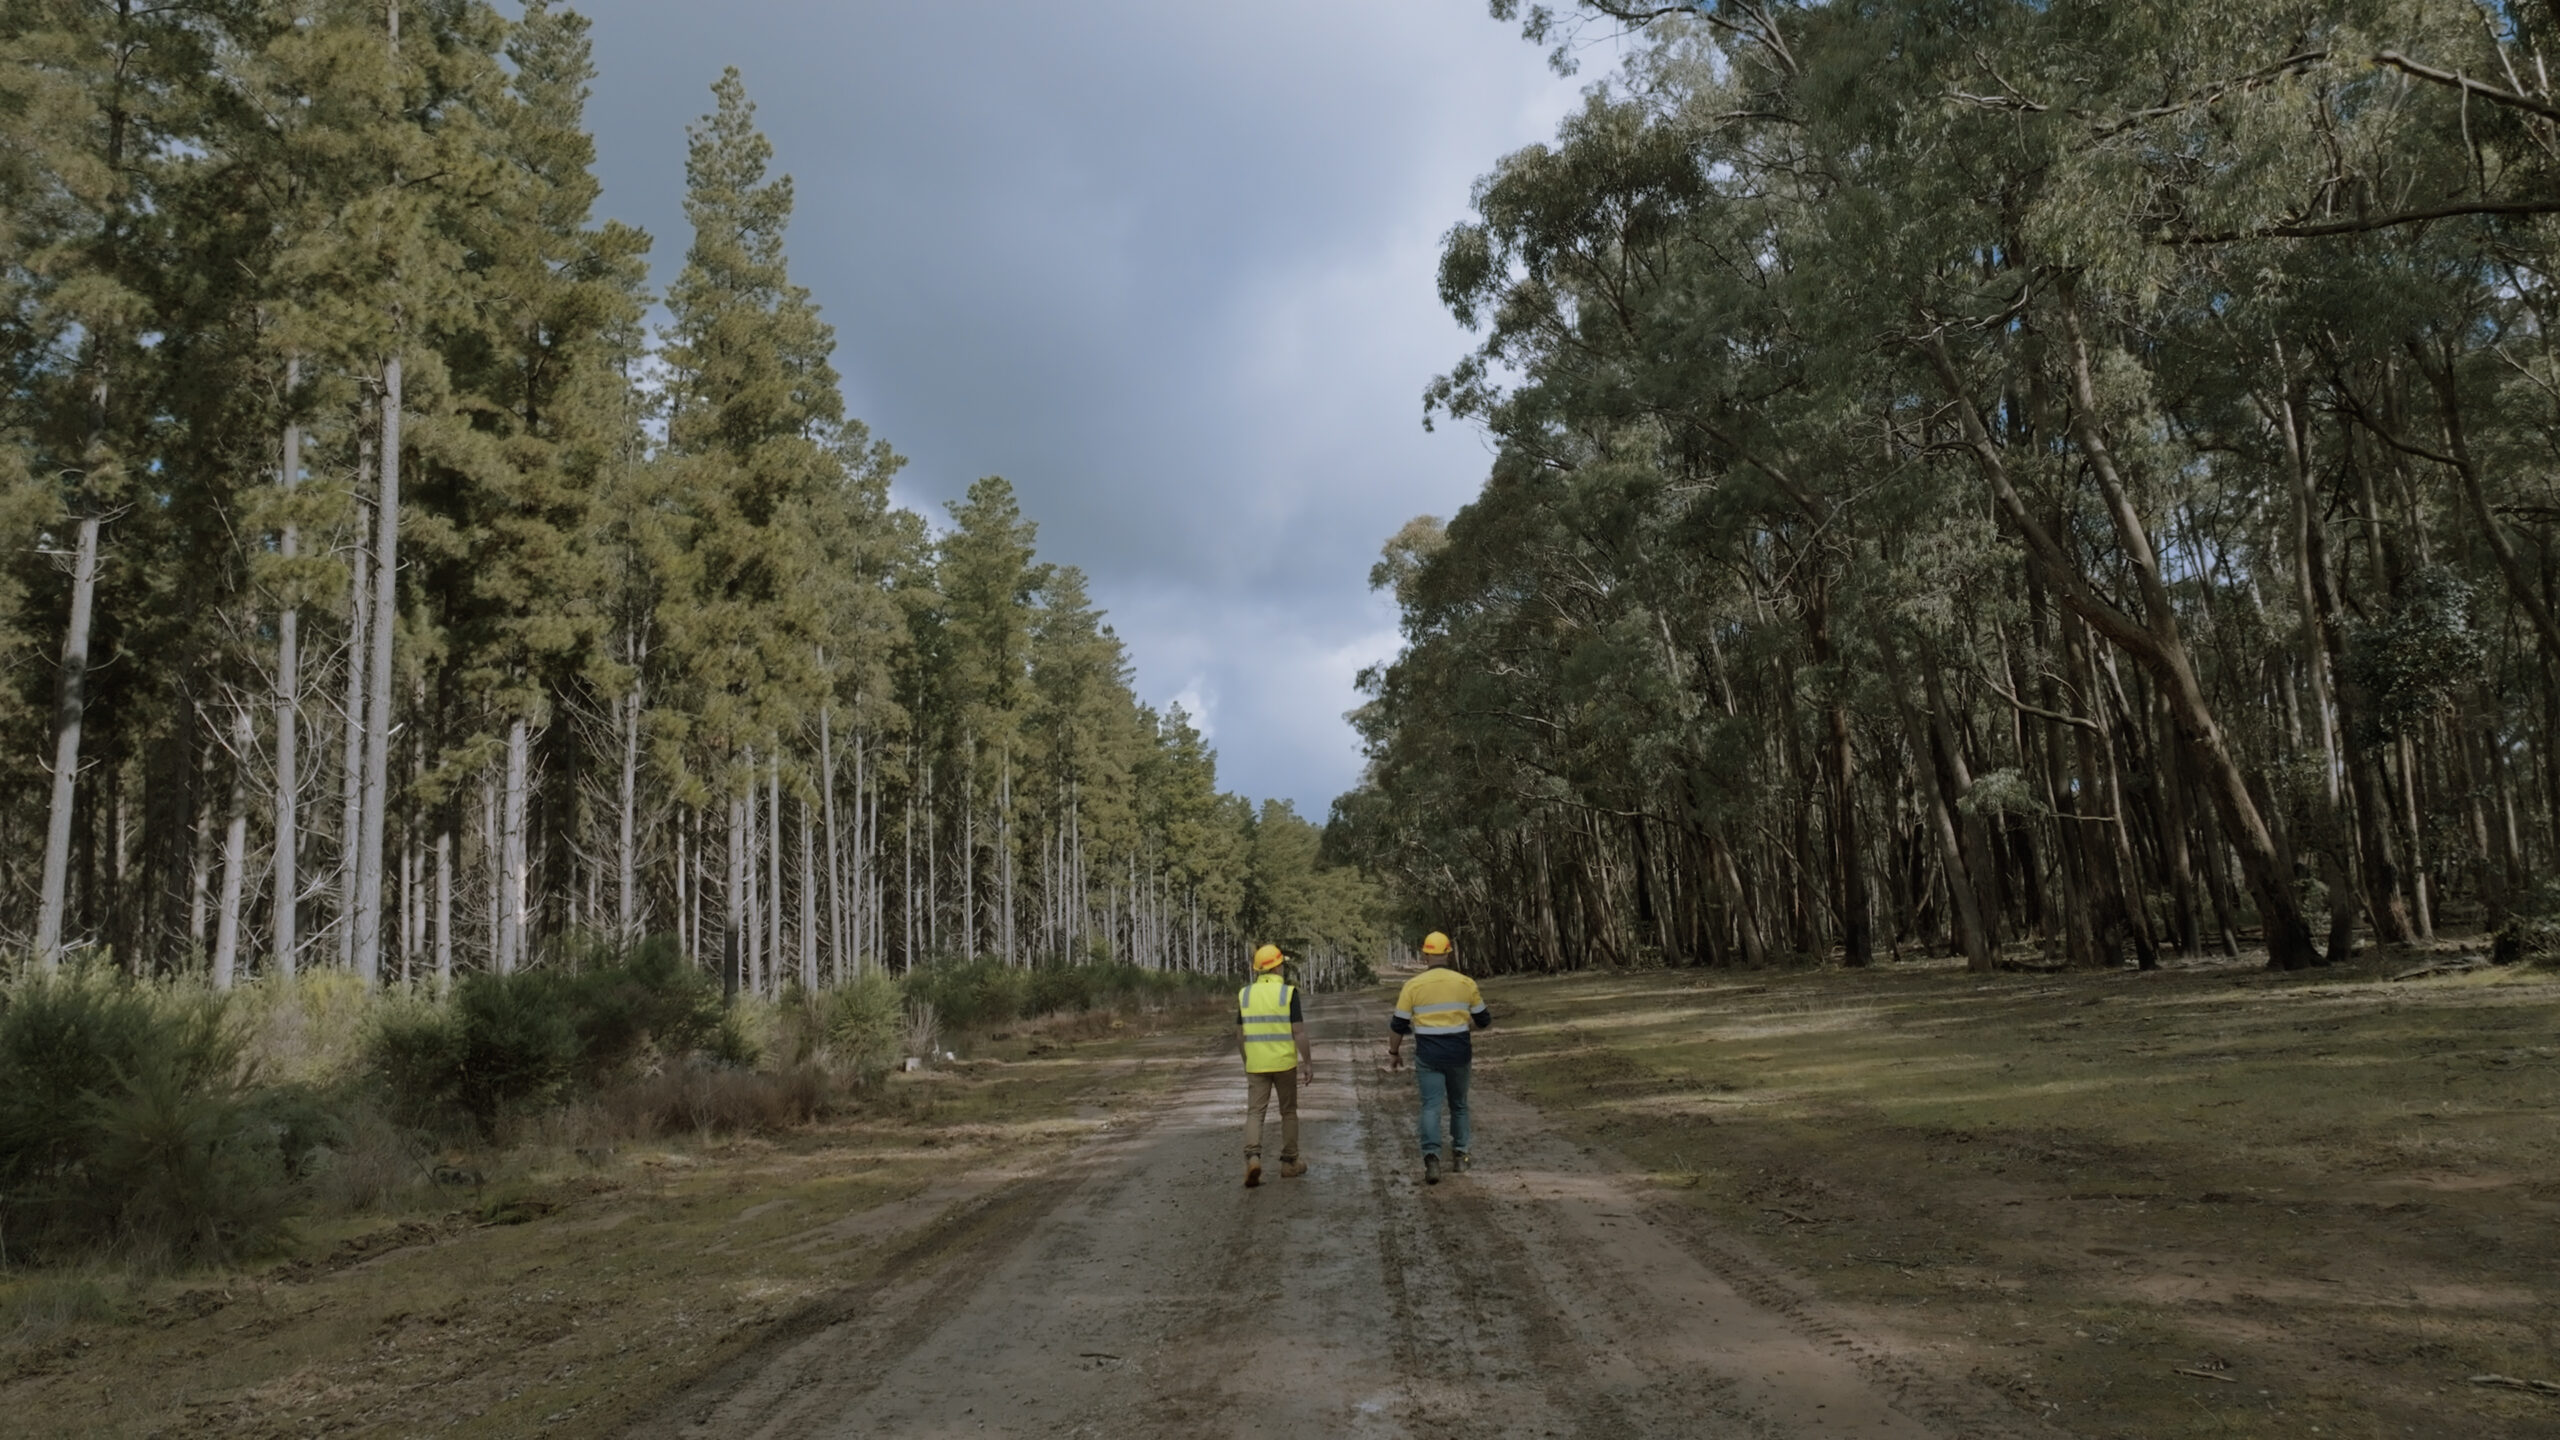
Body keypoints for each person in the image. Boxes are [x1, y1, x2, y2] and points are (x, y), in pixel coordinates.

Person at [1386, 930, 1490, 1185]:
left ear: (1425, 955)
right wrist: (1462, 1027)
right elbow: (1484, 1020)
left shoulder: (1412, 986)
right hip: (1459, 1054)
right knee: (1459, 1105)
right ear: (1448, 953)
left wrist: (1394, 1052)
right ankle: (1461, 1156)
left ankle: (1432, 1159)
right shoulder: (1465, 983)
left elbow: (1398, 1025)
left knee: (1431, 1106)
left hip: (1428, 1056)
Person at [1238, 942, 1312, 1188]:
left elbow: (1240, 1034)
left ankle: (1253, 1158)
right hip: (1283, 1063)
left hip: (1256, 1063)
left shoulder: (1245, 994)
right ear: (1279, 967)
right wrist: (1308, 1063)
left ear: (1259, 969)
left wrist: (1247, 1059)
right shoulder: (1288, 993)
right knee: (1288, 1112)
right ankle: (1290, 1163)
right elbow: (1298, 1032)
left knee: (1255, 1113)